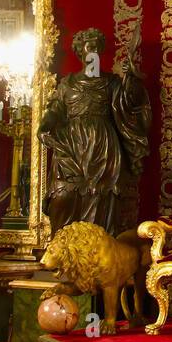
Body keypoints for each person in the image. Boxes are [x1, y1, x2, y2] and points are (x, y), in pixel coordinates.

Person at [39, 27, 151, 236]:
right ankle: (64, 248)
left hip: (103, 146)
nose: (94, 53)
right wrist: (44, 127)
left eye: (98, 49)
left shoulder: (111, 82)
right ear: (80, 52)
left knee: (102, 197)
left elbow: (130, 103)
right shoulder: (67, 84)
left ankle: (100, 250)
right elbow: (54, 111)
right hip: (72, 146)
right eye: (90, 48)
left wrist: (131, 77)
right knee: (63, 197)